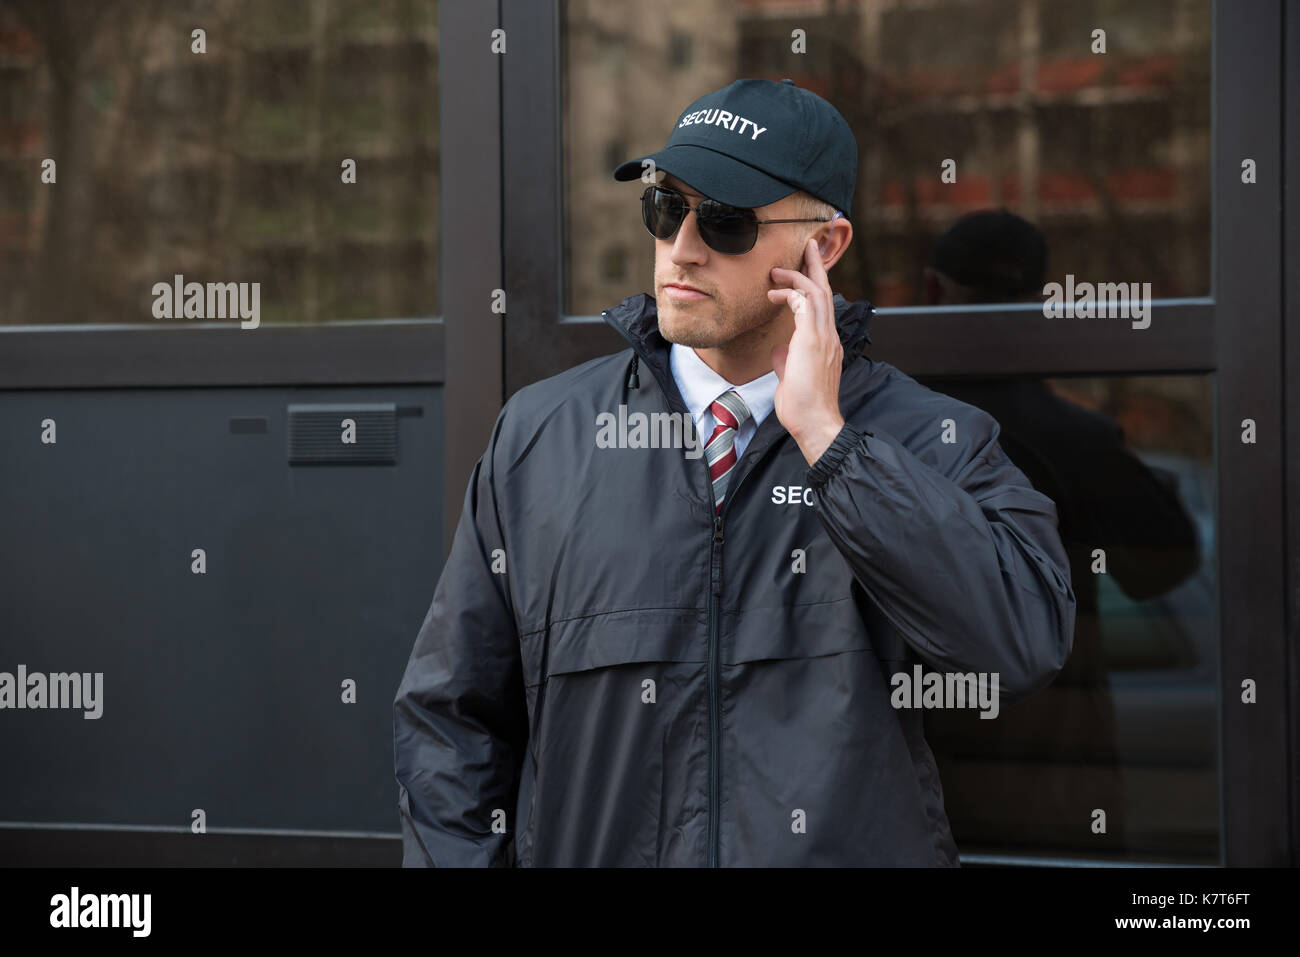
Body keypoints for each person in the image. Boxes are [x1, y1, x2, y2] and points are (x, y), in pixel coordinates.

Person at [393, 78, 1077, 866]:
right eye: (664, 208)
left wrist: (831, 440)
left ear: (823, 247)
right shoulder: (543, 436)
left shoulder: (929, 439)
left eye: (725, 220)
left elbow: (1019, 642)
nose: (683, 246)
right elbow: (451, 716)